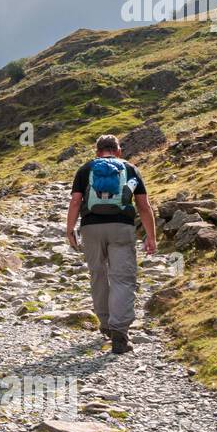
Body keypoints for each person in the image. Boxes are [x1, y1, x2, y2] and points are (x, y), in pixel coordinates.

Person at [65, 134, 157, 354]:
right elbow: (144, 206)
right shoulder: (130, 169)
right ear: (118, 151)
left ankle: (105, 323)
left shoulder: (85, 169)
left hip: (91, 229)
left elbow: (76, 201)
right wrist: (151, 236)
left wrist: (70, 229)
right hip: (121, 227)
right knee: (122, 279)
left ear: (97, 152)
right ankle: (120, 333)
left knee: (98, 274)